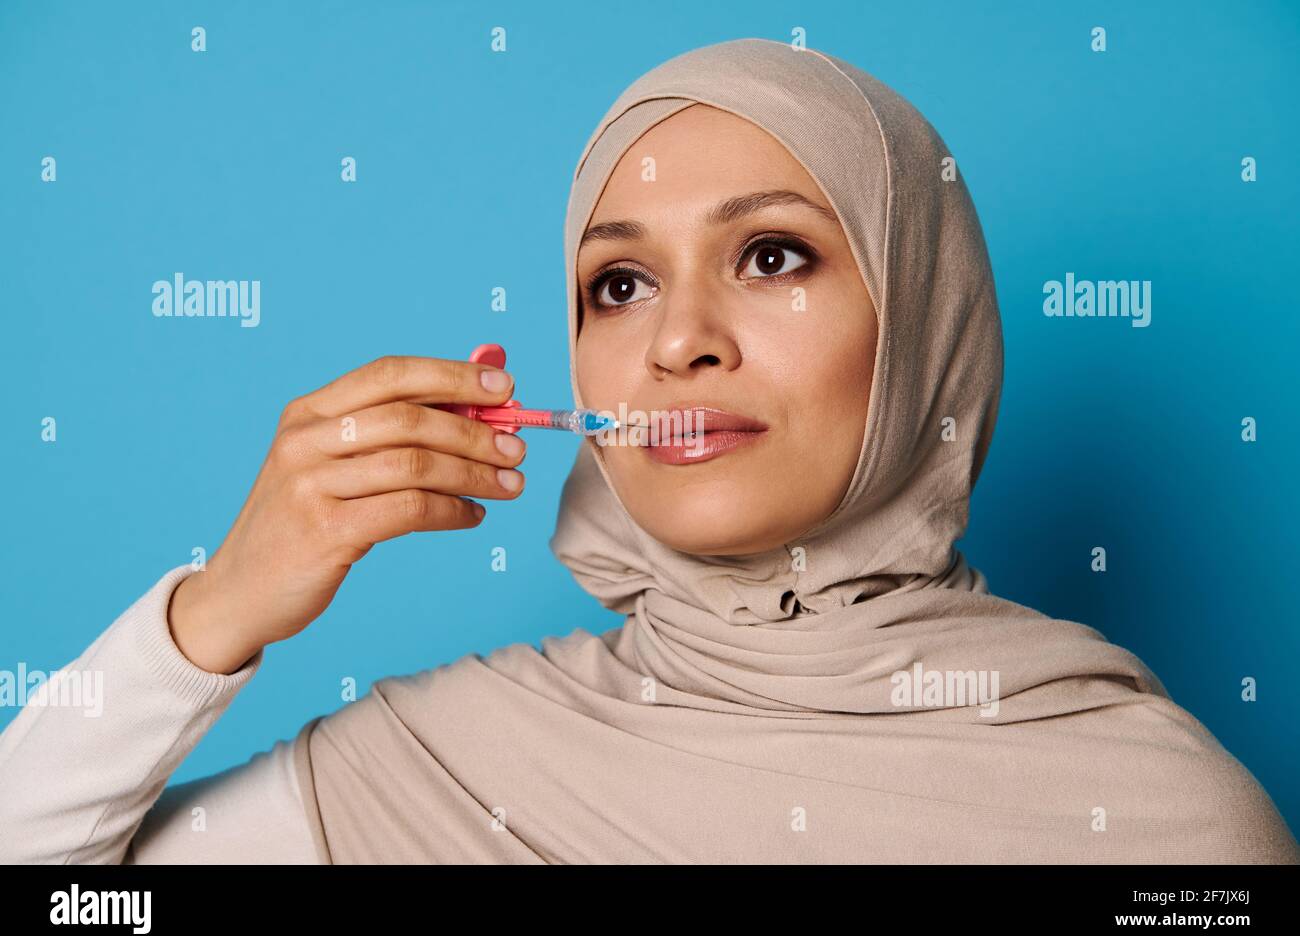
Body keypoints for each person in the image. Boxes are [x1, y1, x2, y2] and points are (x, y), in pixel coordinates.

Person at [2, 37, 1295, 864]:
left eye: (773, 255)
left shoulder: (1162, 823)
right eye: (618, 284)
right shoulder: (448, 766)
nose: (679, 339)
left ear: (923, 322)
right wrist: (213, 613)